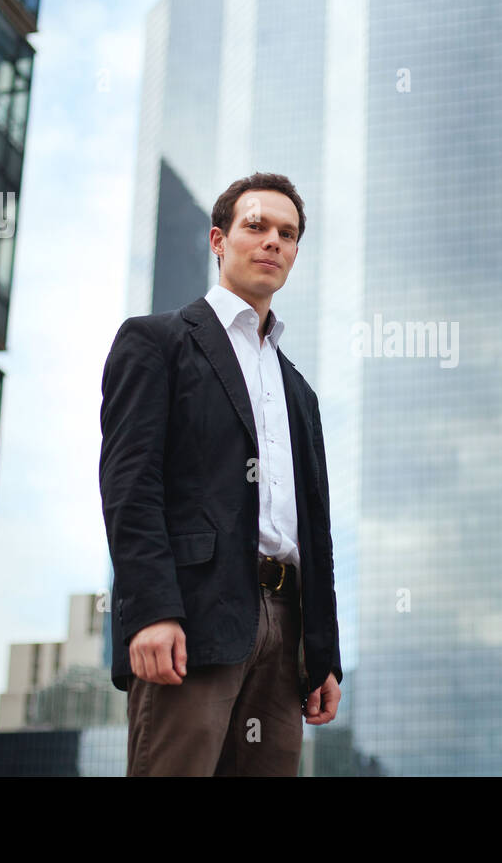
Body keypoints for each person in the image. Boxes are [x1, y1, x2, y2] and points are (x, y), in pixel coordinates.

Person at [99, 171, 342, 776]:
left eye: (287, 234)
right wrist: (152, 609)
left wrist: (324, 655)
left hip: (286, 634)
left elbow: (316, 530)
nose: (272, 243)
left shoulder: (299, 392)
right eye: (255, 226)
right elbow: (130, 486)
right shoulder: (156, 342)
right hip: (193, 615)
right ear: (218, 240)